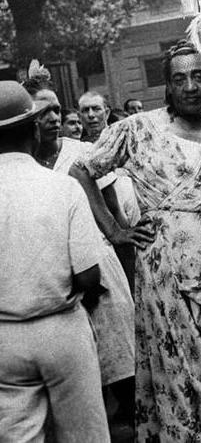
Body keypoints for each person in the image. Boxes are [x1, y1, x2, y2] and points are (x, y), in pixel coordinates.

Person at [70, 40, 201, 441]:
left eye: (198, 76)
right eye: (179, 78)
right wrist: (116, 231)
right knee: (173, 373)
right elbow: (83, 170)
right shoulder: (137, 129)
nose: (189, 86)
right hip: (162, 270)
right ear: (167, 86)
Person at [24, 71, 136, 430]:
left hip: (94, 260)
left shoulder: (83, 153)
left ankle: (129, 421)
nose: (55, 118)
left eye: (57, 110)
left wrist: (119, 236)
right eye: (44, 113)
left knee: (117, 354)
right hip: (51, 272)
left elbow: (113, 206)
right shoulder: (22, 163)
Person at [0, 80, 110, 442]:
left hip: (5, 338)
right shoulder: (60, 187)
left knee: (17, 436)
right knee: (84, 434)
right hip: (61, 327)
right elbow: (89, 275)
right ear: (33, 129)